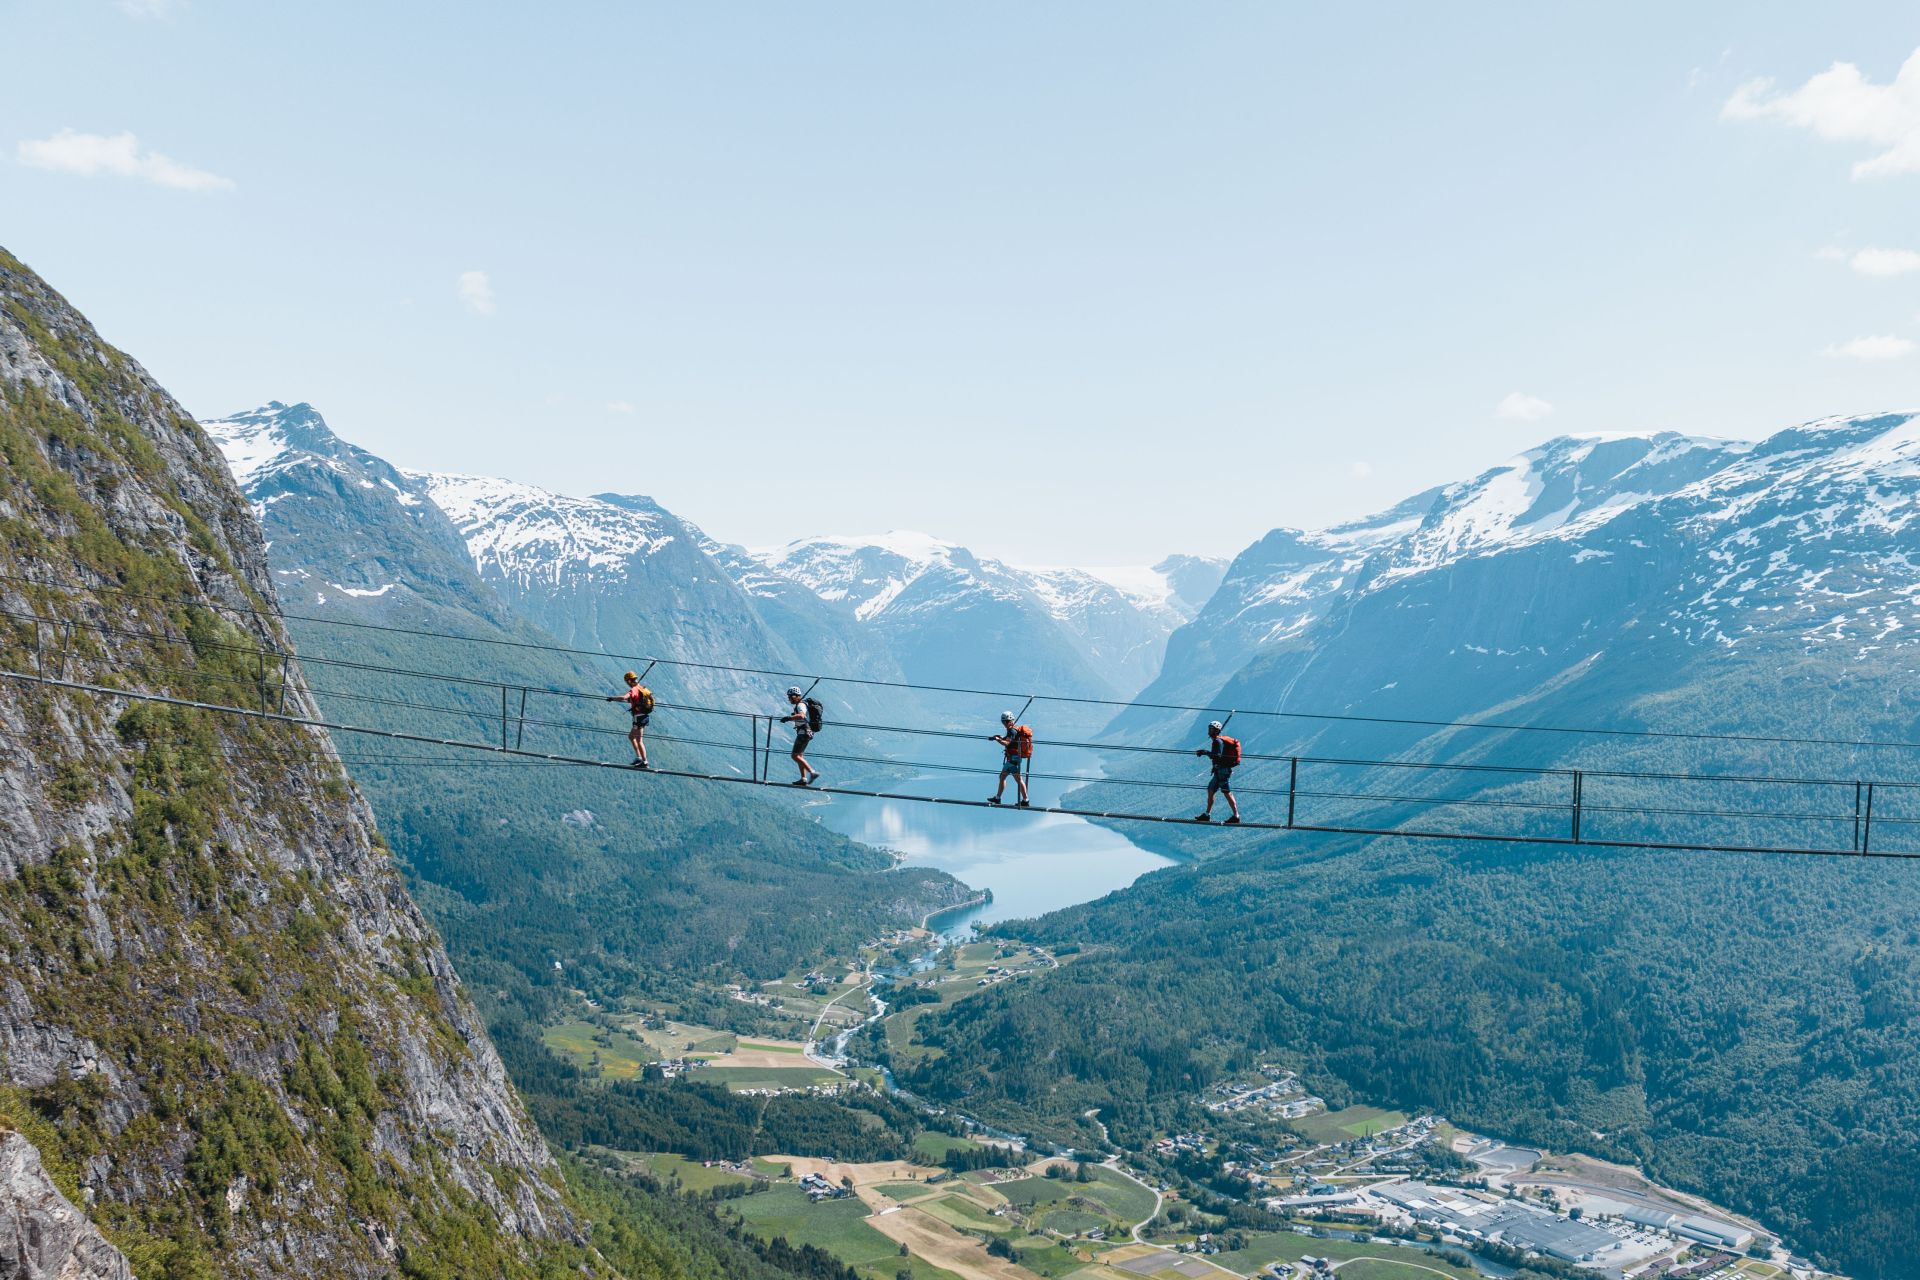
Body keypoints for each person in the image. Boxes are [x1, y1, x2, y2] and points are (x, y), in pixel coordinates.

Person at [1193, 720, 1241, 823]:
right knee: (1211, 789)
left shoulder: (1218, 742)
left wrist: (1204, 752)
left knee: (1226, 792)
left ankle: (1236, 816)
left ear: (1216, 731)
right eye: (1209, 728)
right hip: (1219, 770)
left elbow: (1217, 756)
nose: (1209, 731)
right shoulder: (1217, 741)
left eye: (1211, 729)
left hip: (1223, 771)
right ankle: (1207, 814)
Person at [606, 671, 653, 769]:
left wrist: (612, 698)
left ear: (629, 681)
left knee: (639, 740)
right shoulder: (641, 688)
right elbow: (633, 699)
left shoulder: (634, 689)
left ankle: (644, 762)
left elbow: (624, 697)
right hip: (644, 716)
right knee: (631, 737)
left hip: (638, 716)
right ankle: (639, 758)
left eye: (627, 682)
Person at [987, 711, 1033, 808]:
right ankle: (1024, 800)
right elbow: (1008, 740)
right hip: (1014, 758)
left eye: (1007, 721)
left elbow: (1006, 743)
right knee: (1006, 777)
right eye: (1004, 722)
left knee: (1014, 779)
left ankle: (1023, 800)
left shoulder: (1012, 731)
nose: (1005, 724)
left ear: (1011, 721)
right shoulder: (1013, 730)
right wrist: (999, 737)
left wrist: (998, 740)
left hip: (1013, 758)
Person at [782, 686, 822, 786]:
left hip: (803, 732)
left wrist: (788, 718)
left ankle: (812, 772)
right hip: (806, 732)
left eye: (790, 697)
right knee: (800, 756)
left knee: (794, 756)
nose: (789, 699)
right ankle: (803, 779)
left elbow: (802, 715)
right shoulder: (801, 704)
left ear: (795, 696)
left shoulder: (800, 705)